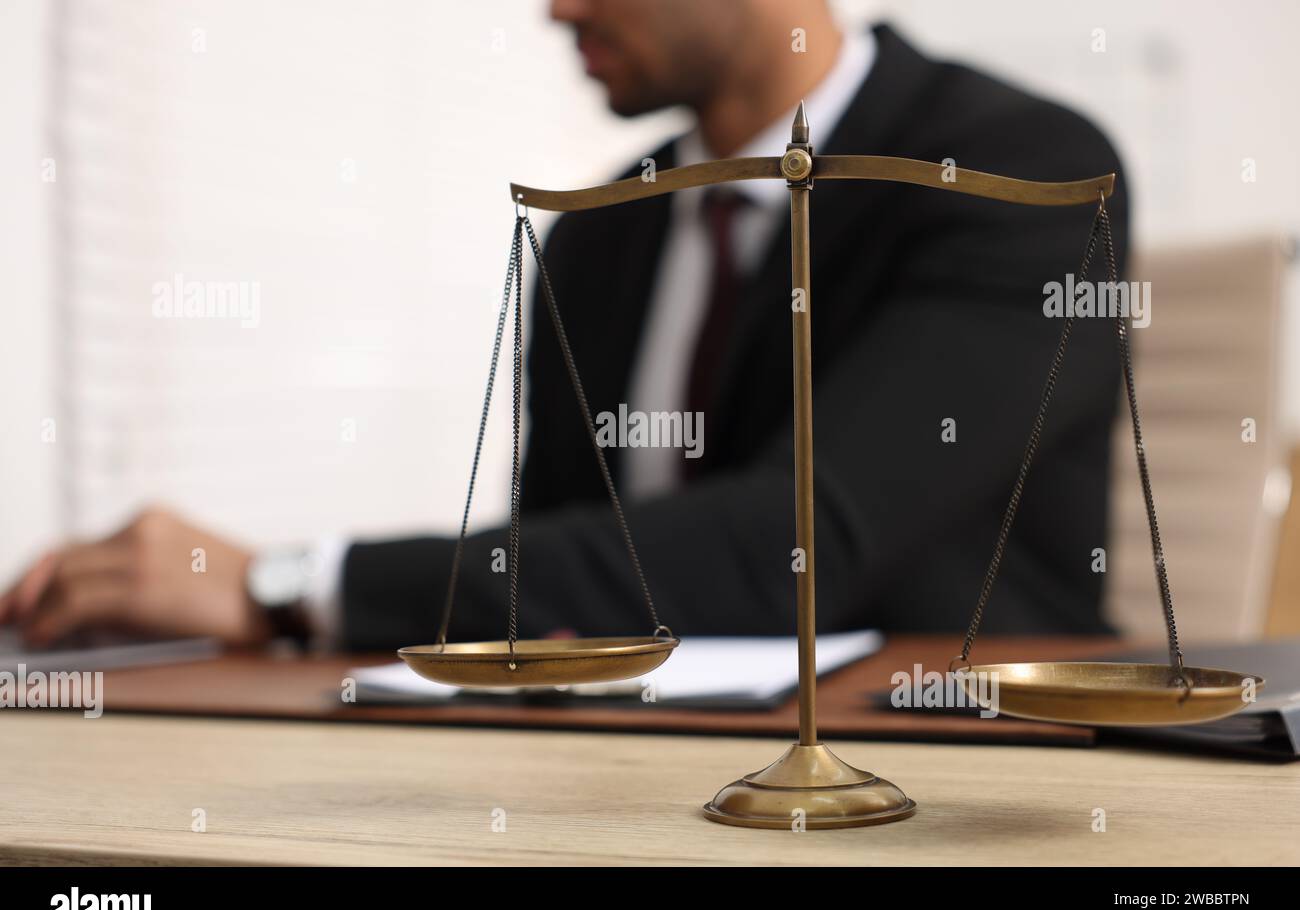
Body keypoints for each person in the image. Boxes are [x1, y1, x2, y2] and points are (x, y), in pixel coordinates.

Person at [0, 0, 1128, 653]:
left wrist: (286, 584)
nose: (554, 8)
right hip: (622, 779)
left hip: (956, 784)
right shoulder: (600, 231)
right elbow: (559, 566)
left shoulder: (1016, 175)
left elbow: (796, 547)